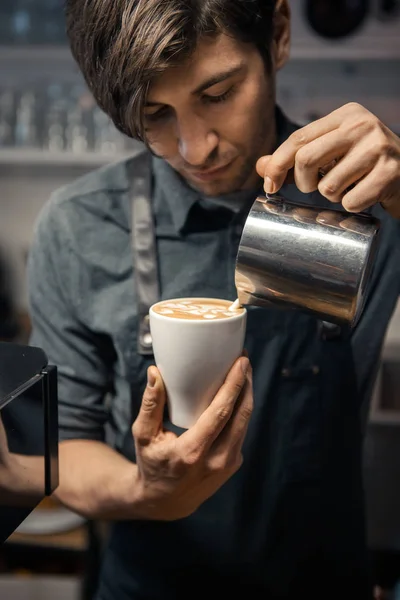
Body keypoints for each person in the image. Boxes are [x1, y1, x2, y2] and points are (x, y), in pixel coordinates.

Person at [27, 1, 400, 598]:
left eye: (219, 94)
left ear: (277, 35)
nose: (194, 148)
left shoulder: (369, 196)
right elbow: (62, 447)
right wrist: (144, 489)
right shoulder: (79, 227)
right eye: (155, 115)